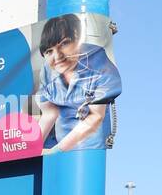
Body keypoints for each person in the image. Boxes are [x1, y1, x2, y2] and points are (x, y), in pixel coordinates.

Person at [35, 13, 122, 153]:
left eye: (64, 43)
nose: (57, 56)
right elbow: (49, 113)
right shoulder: (47, 71)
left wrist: (57, 151)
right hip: (59, 146)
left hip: (88, 151)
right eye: (49, 51)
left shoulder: (98, 63)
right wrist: (31, 148)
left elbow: (95, 117)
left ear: (77, 38)